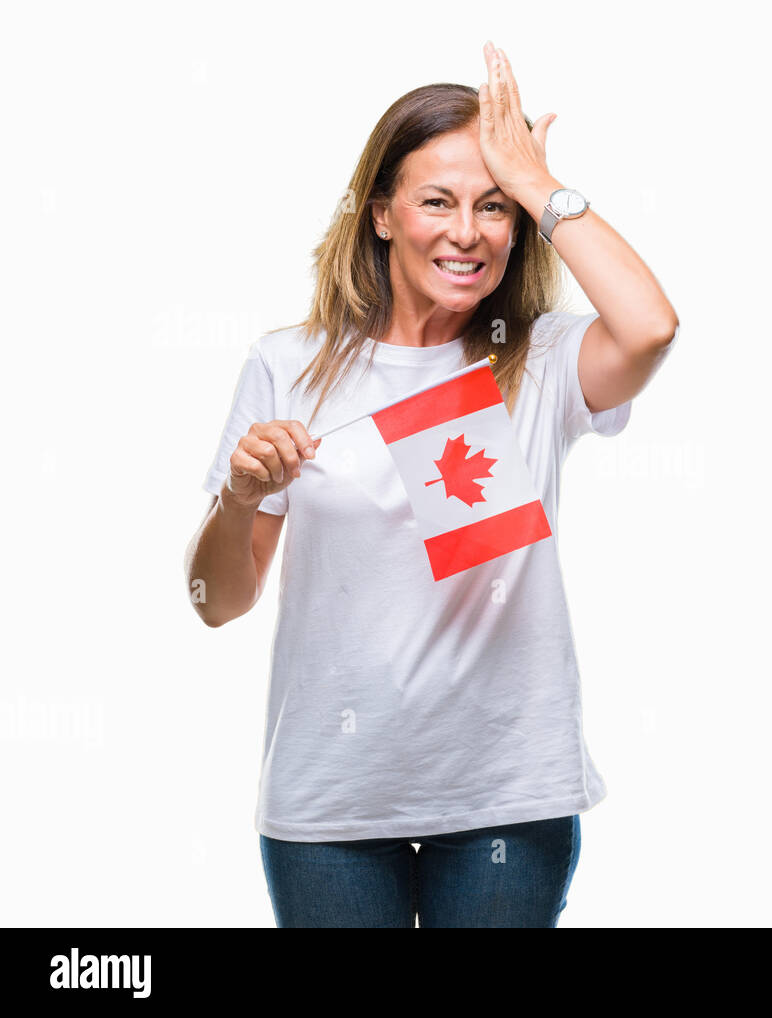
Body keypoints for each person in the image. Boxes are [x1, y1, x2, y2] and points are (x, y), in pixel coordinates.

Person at [183, 40, 678, 928]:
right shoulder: (288, 365)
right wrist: (240, 497)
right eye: (437, 201)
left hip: (505, 797)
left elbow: (648, 328)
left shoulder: (542, 357)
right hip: (331, 804)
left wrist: (539, 184)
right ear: (380, 215)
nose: (467, 231)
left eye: (494, 207)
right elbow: (216, 602)